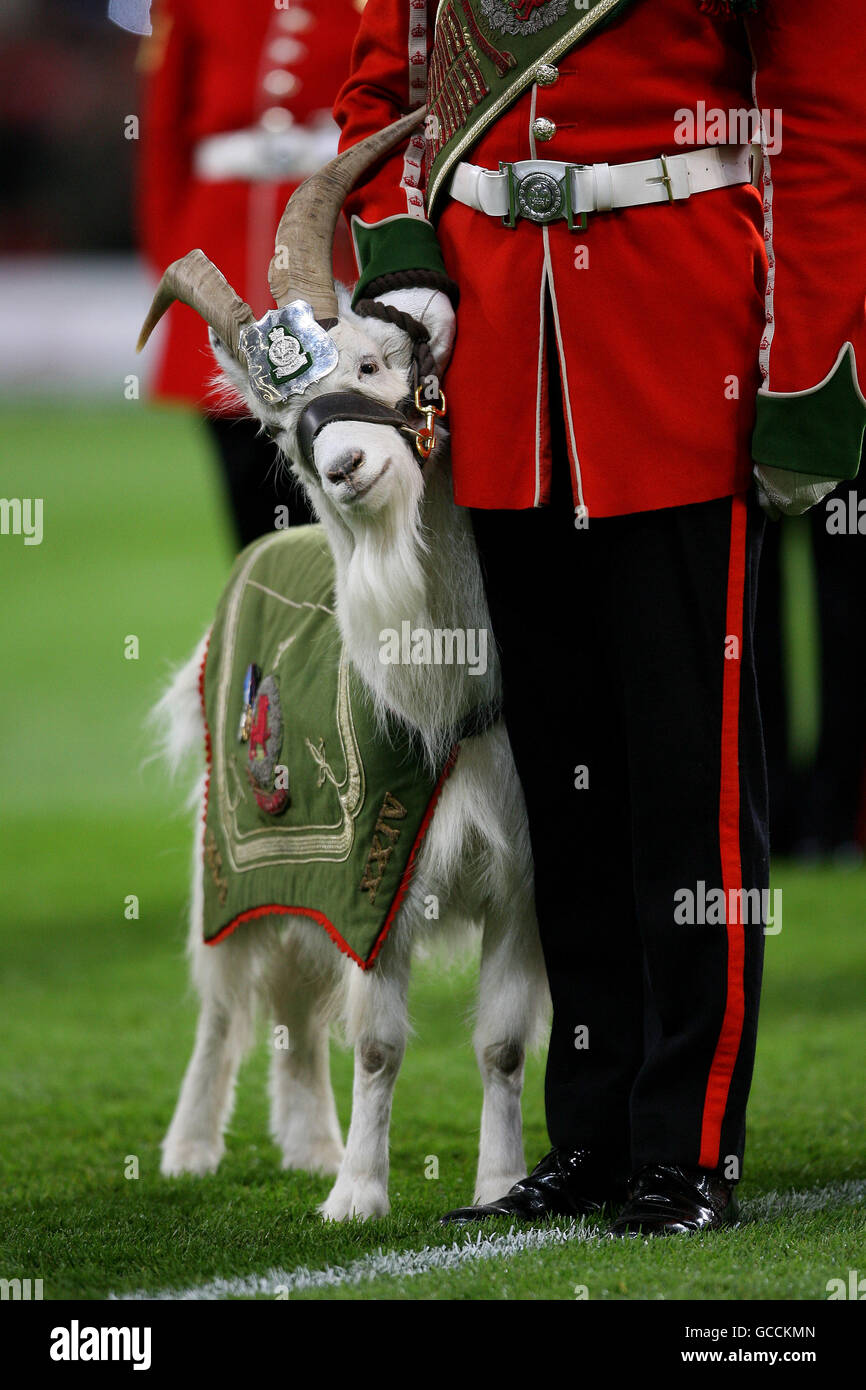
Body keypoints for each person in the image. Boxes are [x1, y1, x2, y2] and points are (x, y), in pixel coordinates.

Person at [333, 0, 866, 1235]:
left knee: (687, 781)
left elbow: (826, 118)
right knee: (561, 789)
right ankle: (591, 1130)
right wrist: (403, 261)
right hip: (503, 355)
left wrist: (809, 365)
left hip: (678, 349)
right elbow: (385, 98)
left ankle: (683, 1146)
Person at [137, 0, 362, 545]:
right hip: (224, 246)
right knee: (244, 481)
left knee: (341, 473)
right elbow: (165, 129)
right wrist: (172, 254)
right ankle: (265, 619)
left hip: (332, 243)